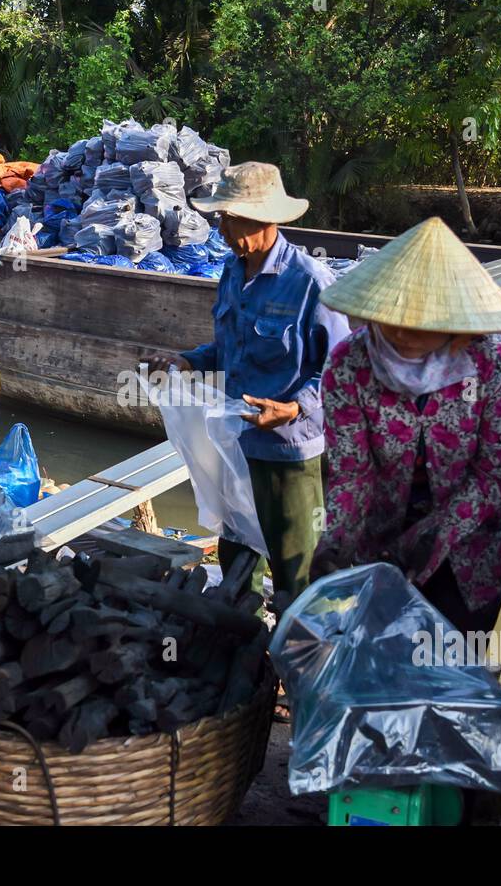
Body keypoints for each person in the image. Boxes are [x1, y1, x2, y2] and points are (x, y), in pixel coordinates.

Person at [313, 216, 501, 634]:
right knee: (382, 659)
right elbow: (353, 472)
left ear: (455, 323)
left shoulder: (497, 365)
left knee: (451, 671)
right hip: (380, 545)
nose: (401, 328)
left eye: (422, 320)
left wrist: (436, 533)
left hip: (475, 551)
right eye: (393, 314)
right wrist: (336, 541)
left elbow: (494, 477)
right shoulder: (349, 364)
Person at [144, 162, 349, 603]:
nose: (218, 226)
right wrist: (185, 361)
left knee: (297, 567)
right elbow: (226, 350)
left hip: (287, 453)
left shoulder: (311, 284)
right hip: (233, 440)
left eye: (226, 217)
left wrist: (294, 409)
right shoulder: (234, 272)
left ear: (259, 220)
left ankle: (302, 659)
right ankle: (242, 645)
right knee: (237, 553)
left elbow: (341, 371)